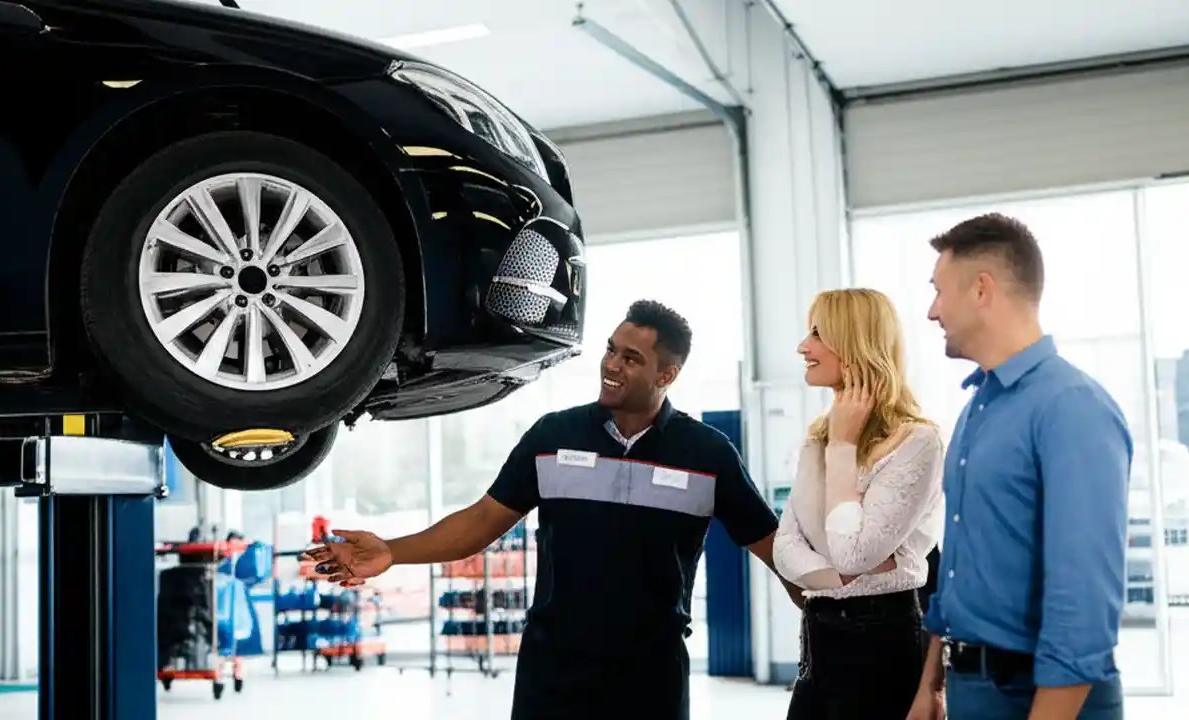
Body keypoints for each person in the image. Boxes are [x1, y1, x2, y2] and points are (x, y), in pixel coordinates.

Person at [304, 299, 802, 720]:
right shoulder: (552, 437)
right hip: (554, 670)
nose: (611, 364)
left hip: (650, 676)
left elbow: (774, 546)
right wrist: (391, 551)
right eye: (610, 348)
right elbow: (480, 522)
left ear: (667, 374)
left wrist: (835, 609)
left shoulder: (708, 455)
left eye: (631, 358)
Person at [908, 213, 1132, 720]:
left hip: (1044, 697)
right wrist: (932, 684)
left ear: (982, 290)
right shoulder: (978, 409)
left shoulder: (1071, 407)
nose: (931, 312)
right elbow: (962, 567)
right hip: (975, 688)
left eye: (939, 292)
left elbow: (1084, 605)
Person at [773, 288, 945, 719]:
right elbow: (785, 547)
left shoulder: (917, 441)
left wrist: (845, 446)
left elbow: (852, 552)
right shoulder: (819, 437)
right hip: (819, 637)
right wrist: (844, 575)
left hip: (881, 639)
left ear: (855, 344)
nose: (802, 346)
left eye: (817, 332)